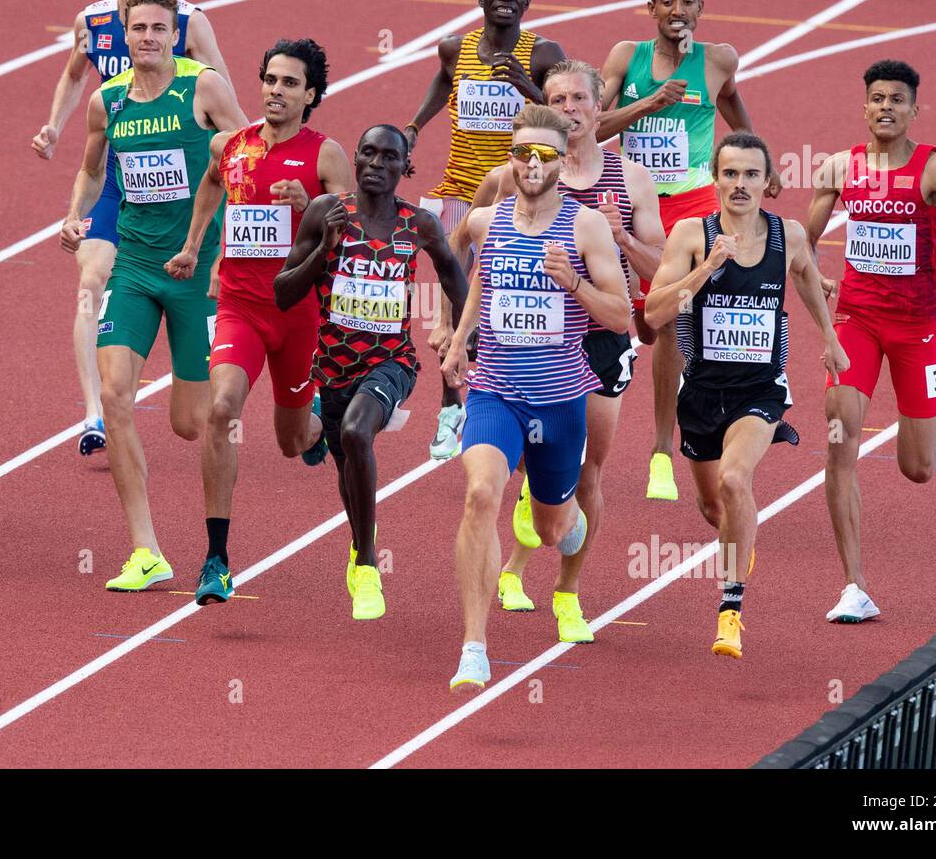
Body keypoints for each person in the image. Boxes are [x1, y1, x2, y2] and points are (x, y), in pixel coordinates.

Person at [450, 61, 665, 640]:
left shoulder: (630, 179)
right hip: (515, 352)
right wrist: (455, 332)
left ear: (599, 109)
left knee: (587, 471)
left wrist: (619, 239)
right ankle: (523, 530)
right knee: (503, 466)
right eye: (556, 98)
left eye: (577, 98)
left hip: (597, 339)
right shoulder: (512, 176)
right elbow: (475, 262)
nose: (568, 107)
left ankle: (568, 591)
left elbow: (657, 272)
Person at [59, 0, 248, 591]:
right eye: (136, 27)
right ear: (122, 31)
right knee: (115, 394)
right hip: (135, 266)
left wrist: (233, 248)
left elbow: (250, 155)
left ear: (175, 35)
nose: (147, 37)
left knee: (192, 423)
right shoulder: (106, 101)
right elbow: (93, 168)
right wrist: (75, 213)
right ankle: (146, 549)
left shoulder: (204, 88)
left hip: (196, 272)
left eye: (158, 29)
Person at [443, 105, 630, 691]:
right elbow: (476, 275)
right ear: (512, 156)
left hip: (559, 399)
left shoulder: (584, 228)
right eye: (523, 151)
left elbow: (623, 314)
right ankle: (475, 645)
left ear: (561, 161)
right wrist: (457, 335)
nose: (532, 163)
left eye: (545, 154)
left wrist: (572, 282)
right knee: (480, 494)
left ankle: (567, 527)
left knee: (551, 530)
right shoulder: (487, 220)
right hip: (495, 391)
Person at [33, 0, 231, 456]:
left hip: (187, 182)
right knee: (91, 278)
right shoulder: (93, 21)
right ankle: (96, 411)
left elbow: (226, 105)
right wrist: (55, 125)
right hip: (120, 176)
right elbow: (76, 75)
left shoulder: (189, 22)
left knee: (191, 422)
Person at [807, 61, 936, 623]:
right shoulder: (841, 169)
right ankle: (854, 585)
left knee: (919, 468)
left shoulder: (935, 171)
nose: (885, 107)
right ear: (864, 107)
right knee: (840, 438)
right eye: (876, 98)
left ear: (915, 109)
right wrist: (815, 279)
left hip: (917, 331)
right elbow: (800, 242)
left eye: (897, 99)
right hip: (856, 323)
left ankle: (924, 427)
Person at [166, 38, 353, 604]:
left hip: (299, 316)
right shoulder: (231, 145)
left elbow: (355, 242)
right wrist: (194, 245)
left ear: (310, 94)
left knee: (292, 443)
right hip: (240, 308)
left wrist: (308, 207)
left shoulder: (326, 155)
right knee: (220, 409)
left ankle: (316, 424)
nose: (276, 90)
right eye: (270, 79)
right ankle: (215, 559)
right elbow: (210, 185)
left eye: (290, 83)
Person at [647, 133, 847, 659]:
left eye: (750, 175)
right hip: (701, 390)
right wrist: (708, 267)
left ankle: (730, 612)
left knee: (737, 480)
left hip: (760, 389)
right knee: (714, 507)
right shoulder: (692, 234)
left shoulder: (790, 235)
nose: (739, 185)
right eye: (730, 174)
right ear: (715, 179)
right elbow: (654, 312)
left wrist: (829, 339)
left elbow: (803, 277)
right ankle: (740, 539)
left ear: (767, 182)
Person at [275, 126, 467, 620]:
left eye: (390, 157)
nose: (377, 163)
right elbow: (283, 293)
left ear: (405, 168)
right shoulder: (326, 212)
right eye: (368, 153)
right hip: (333, 369)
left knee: (359, 434)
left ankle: (366, 563)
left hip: (392, 363)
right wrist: (323, 252)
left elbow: (454, 277)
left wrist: (465, 340)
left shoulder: (420, 225)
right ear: (356, 159)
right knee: (347, 465)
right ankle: (362, 538)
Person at [595, 0, 763, 503]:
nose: (676, 10)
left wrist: (755, 149)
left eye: (686, 1)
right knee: (645, 323)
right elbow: (591, 126)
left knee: (670, 320)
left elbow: (730, 98)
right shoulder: (627, 57)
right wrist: (649, 103)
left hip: (692, 205)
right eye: (665, 1)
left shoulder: (719, 60)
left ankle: (662, 452)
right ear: (651, 9)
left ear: (700, 8)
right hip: (633, 198)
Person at [401, 0, 566, 462]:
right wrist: (413, 127)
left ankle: (522, 406)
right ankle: (452, 409)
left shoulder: (543, 53)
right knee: (451, 306)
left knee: (506, 305)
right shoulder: (457, 48)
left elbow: (566, 122)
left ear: (528, 1)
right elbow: (443, 79)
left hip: (517, 197)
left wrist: (527, 87)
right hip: (458, 190)